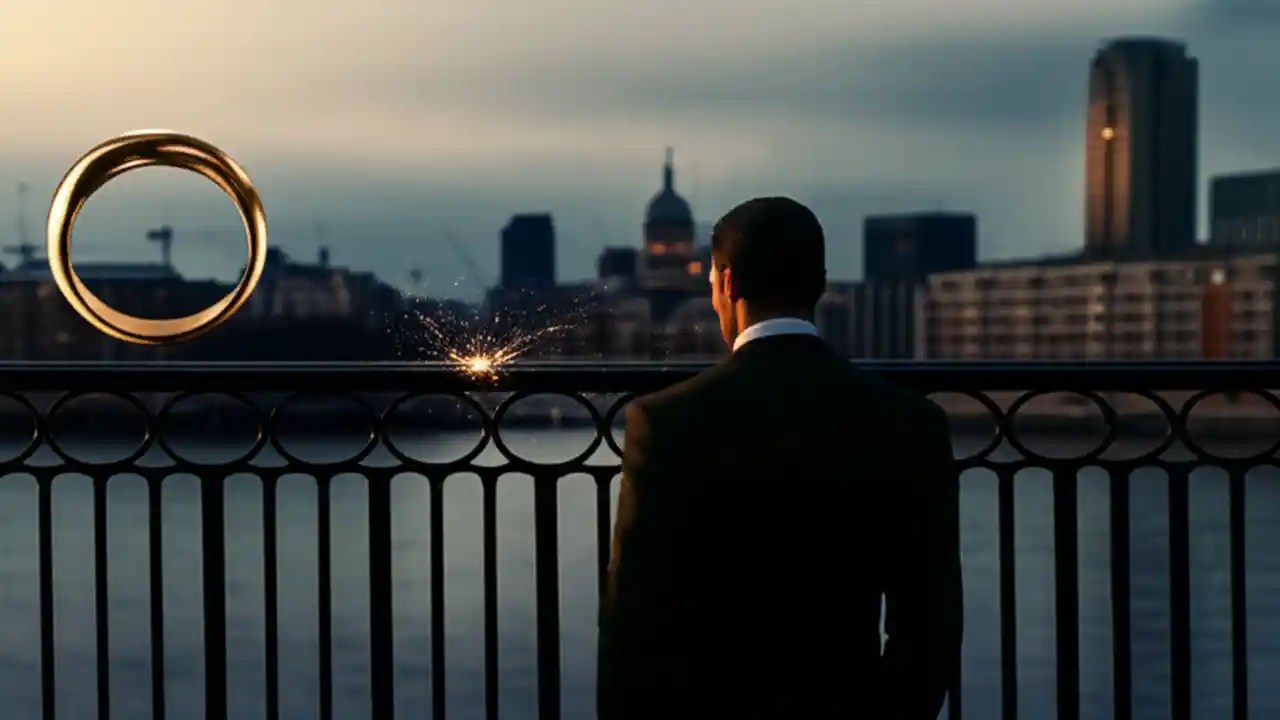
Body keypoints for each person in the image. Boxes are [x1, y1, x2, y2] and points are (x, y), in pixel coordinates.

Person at [597, 197, 963, 719]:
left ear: (725, 284)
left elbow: (632, 624)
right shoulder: (910, 422)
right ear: (819, 285)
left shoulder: (664, 421)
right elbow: (930, 624)